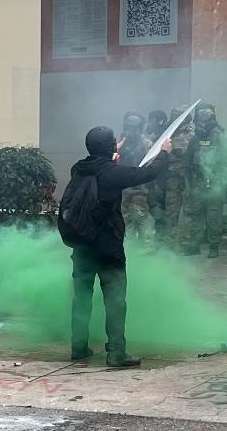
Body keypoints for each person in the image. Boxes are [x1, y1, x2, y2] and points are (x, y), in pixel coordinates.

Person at [62, 124, 171, 366]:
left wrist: (111, 151)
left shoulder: (78, 169)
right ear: (109, 147)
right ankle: (116, 352)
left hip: (81, 247)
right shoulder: (112, 173)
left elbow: (99, 165)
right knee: (115, 299)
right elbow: (145, 174)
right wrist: (164, 152)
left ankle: (78, 347)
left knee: (81, 297)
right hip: (107, 247)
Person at [180, 104, 227, 258]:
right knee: (196, 216)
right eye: (199, 123)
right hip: (198, 185)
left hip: (215, 186)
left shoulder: (221, 138)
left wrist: (224, 185)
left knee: (214, 218)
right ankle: (194, 245)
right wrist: (188, 184)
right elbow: (187, 163)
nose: (201, 126)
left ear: (211, 122)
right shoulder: (195, 140)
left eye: (203, 123)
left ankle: (214, 246)